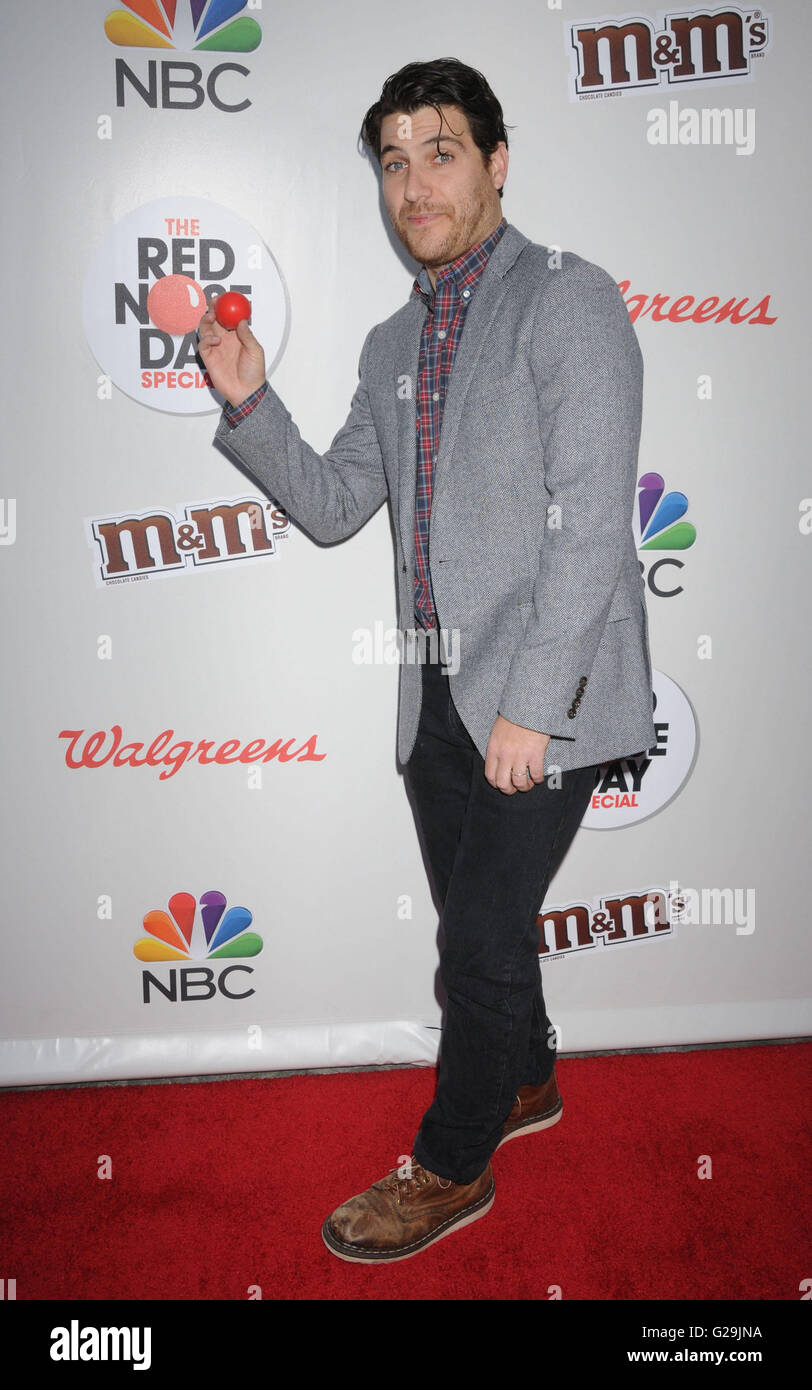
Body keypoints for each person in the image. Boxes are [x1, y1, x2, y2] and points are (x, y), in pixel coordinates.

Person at [197, 57, 656, 1264]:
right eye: (394, 162)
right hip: (435, 701)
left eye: (439, 152)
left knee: (473, 942)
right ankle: (529, 1078)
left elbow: (592, 520)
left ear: (496, 163)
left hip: (540, 699)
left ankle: (450, 1165)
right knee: (481, 924)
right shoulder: (386, 342)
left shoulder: (569, 300)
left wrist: (532, 709)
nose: (414, 184)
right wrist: (251, 408)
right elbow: (341, 501)